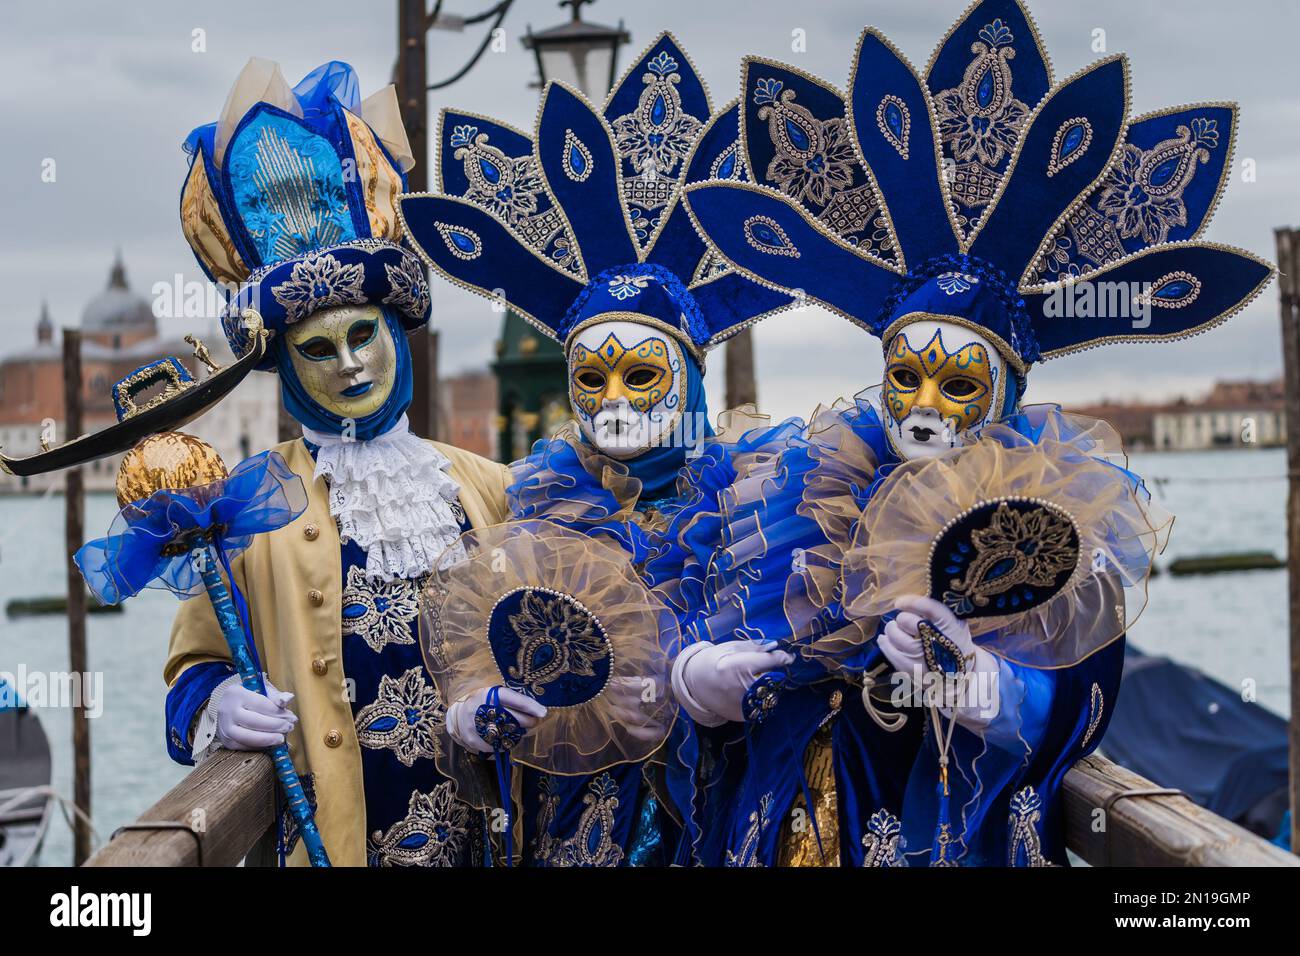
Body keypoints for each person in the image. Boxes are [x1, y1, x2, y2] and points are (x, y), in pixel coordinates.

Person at [677, 0, 1272, 865]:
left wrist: (989, 690)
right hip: (789, 824)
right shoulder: (809, 488)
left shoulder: (1057, 510)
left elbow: (1086, 685)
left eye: (959, 383)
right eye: (906, 375)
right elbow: (719, 636)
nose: (925, 404)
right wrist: (702, 683)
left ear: (1003, 390)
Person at [397, 32, 796, 865]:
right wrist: (473, 706)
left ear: (687, 374)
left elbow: (805, 667)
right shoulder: (537, 502)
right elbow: (487, 647)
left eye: (641, 374)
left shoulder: (763, 503)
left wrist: (698, 682)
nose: (613, 401)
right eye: (593, 375)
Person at [162, 59, 512, 867]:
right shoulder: (246, 503)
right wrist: (216, 697)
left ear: (396, 336)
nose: (351, 365)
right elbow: (195, 659)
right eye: (319, 350)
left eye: (365, 337)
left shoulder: (485, 485)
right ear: (286, 368)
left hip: (488, 837)